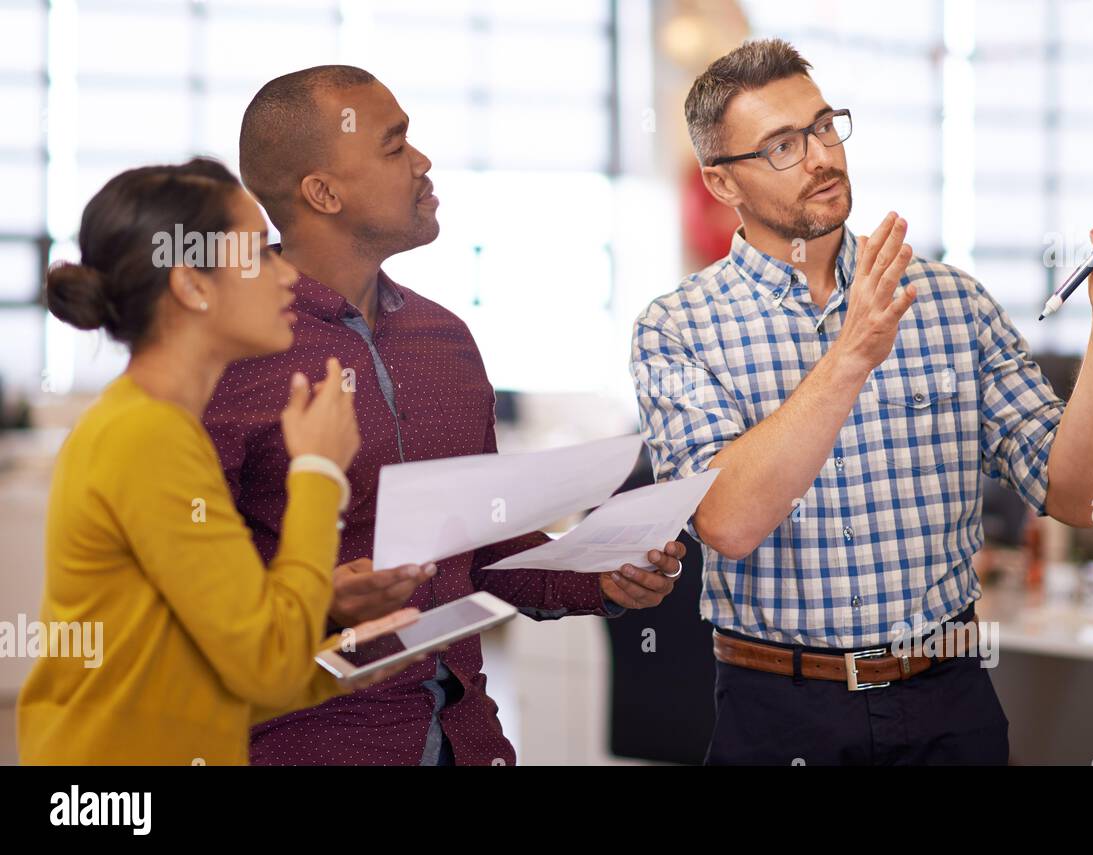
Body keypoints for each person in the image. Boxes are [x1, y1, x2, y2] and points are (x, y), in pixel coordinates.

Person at [631, 39, 1093, 765]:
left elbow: (1080, 491)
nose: (820, 155)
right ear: (723, 185)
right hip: (778, 711)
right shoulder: (678, 327)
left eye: (822, 126)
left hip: (948, 698)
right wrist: (851, 356)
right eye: (782, 145)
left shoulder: (948, 299)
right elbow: (728, 521)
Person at [203, 66, 687, 766]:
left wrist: (601, 578)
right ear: (322, 191)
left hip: (469, 739)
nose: (423, 162)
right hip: (304, 743)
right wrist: (319, 601)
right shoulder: (230, 353)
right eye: (395, 146)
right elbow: (179, 589)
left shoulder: (445, 340)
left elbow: (482, 557)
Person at [19, 157, 420, 765]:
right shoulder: (147, 436)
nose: (285, 274)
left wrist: (334, 653)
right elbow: (264, 667)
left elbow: (204, 667)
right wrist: (316, 472)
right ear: (192, 284)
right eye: (258, 252)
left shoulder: (151, 425)